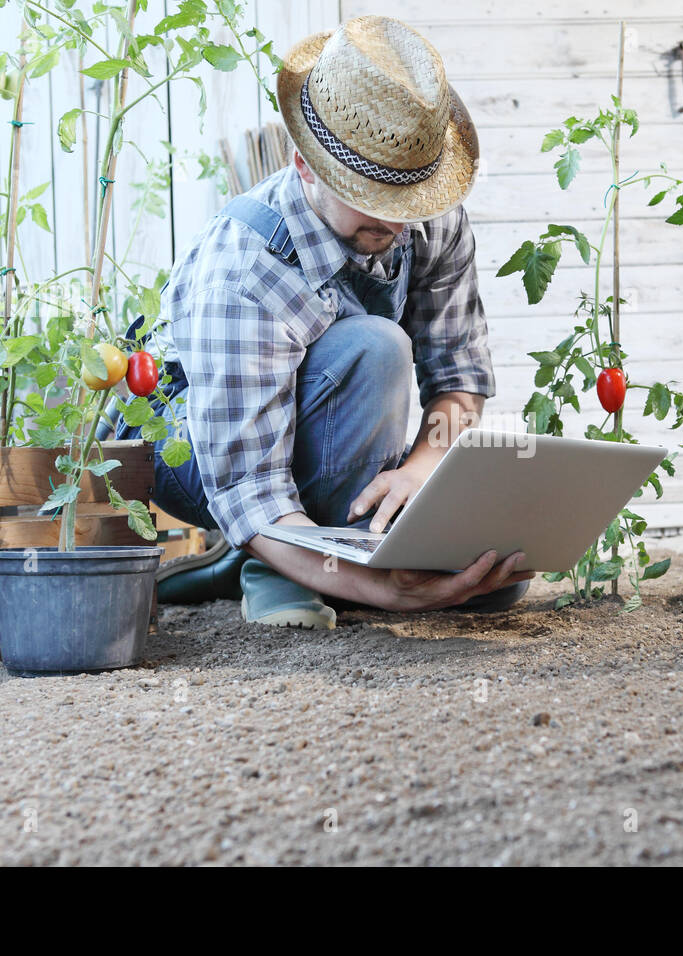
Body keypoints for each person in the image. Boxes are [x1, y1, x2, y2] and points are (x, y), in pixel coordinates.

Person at [120, 15, 532, 628]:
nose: (395, 224)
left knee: (494, 583)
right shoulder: (245, 267)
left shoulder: (431, 220)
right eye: (371, 196)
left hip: (314, 441)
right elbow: (245, 486)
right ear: (307, 166)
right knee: (375, 347)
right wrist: (389, 592)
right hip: (196, 452)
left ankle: (279, 558)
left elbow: (459, 376)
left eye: (409, 200)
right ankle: (270, 561)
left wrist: (422, 469)